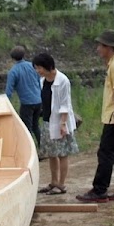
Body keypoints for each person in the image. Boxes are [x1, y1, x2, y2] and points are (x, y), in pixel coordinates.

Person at [77, 29, 114, 203]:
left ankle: (99, 190)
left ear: (109, 47)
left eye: (100, 45)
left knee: (105, 153)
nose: (97, 49)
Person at [32, 52, 78, 195]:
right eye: (36, 68)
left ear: (48, 66)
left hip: (60, 122)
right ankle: (53, 182)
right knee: (52, 154)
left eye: (39, 68)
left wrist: (63, 124)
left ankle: (61, 184)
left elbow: (65, 104)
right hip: (47, 121)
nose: (38, 71)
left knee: (62, 154)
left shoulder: (62, 80)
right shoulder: (42, 81)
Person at [5, 45, 42, 144]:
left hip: (27, 102)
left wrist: (6, 103)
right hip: (38, 100)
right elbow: (39, 82)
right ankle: (43, 147)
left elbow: (9, 91)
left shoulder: (13, 71)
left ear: (12, 58)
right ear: (24, 55)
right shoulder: (33, 66)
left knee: (26, 128)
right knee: (36, 126)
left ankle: (30, 149)